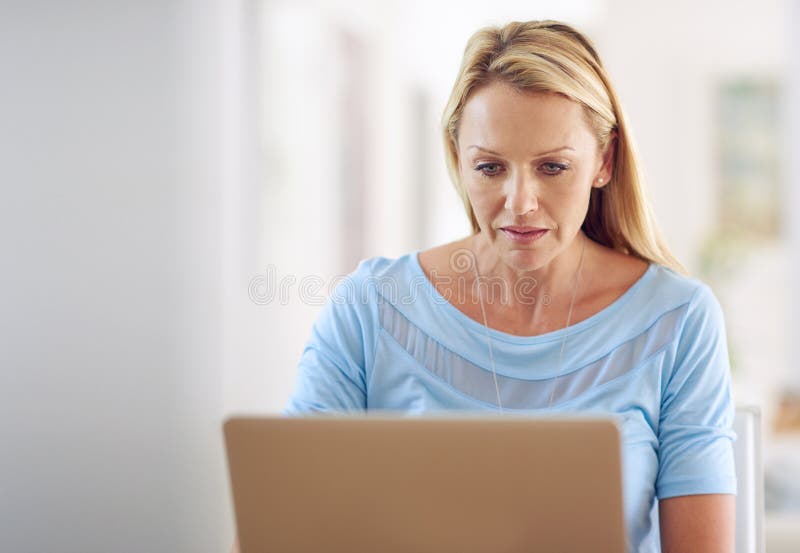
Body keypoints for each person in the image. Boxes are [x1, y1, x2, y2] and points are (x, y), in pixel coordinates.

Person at [279, 20, 736, 553]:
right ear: (458, 160)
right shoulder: (370, 308)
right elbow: (283, 525)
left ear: (603, 162)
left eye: (553, 167)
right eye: (490, 167)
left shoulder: (677, 318)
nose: (520, 203)